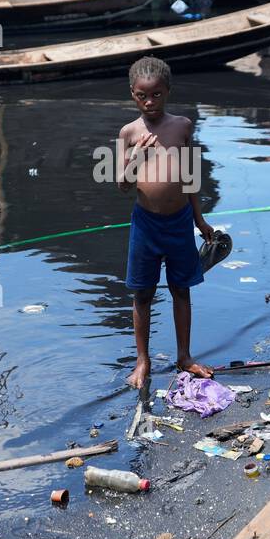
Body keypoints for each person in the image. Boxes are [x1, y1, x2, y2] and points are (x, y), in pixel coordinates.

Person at [117, 56, 215, 390]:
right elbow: (122, 185)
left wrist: (200, 221)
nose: (149, 102)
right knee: (142, 294)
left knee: (180, 289)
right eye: (142, 96)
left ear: (167, 92)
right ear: (133, 94)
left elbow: (189, 177)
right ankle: (142, 360)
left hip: (180, 223)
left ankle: (184, 356)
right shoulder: (128, 133)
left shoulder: (182, 126)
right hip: (146, 225)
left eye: (156, 95)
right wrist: (136, 159)